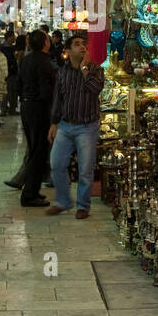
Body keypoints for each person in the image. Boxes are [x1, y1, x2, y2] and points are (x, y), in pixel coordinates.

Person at [47, 34, 105, 219]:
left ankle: (83, 206)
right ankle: (63, 201)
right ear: (68, 50)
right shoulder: (62, 72)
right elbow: (58, 98)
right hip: (65, 125)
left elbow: (96, 89)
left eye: (84, 44)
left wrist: (85, 69)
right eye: (77, 44)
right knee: (56, 164)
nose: (82, 47)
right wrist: (54, 123)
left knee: (85, 170)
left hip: (87, 126)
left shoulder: (96, 69)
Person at [17, 29, 56, 208]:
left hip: (27, 106)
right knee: (38, 151)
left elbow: (19, 84)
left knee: (35, 149)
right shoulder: (43, 62)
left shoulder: (26, 60)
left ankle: (32, 190)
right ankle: (29, 194)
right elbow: (46, 90)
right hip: (38, 108)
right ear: (46, 43)